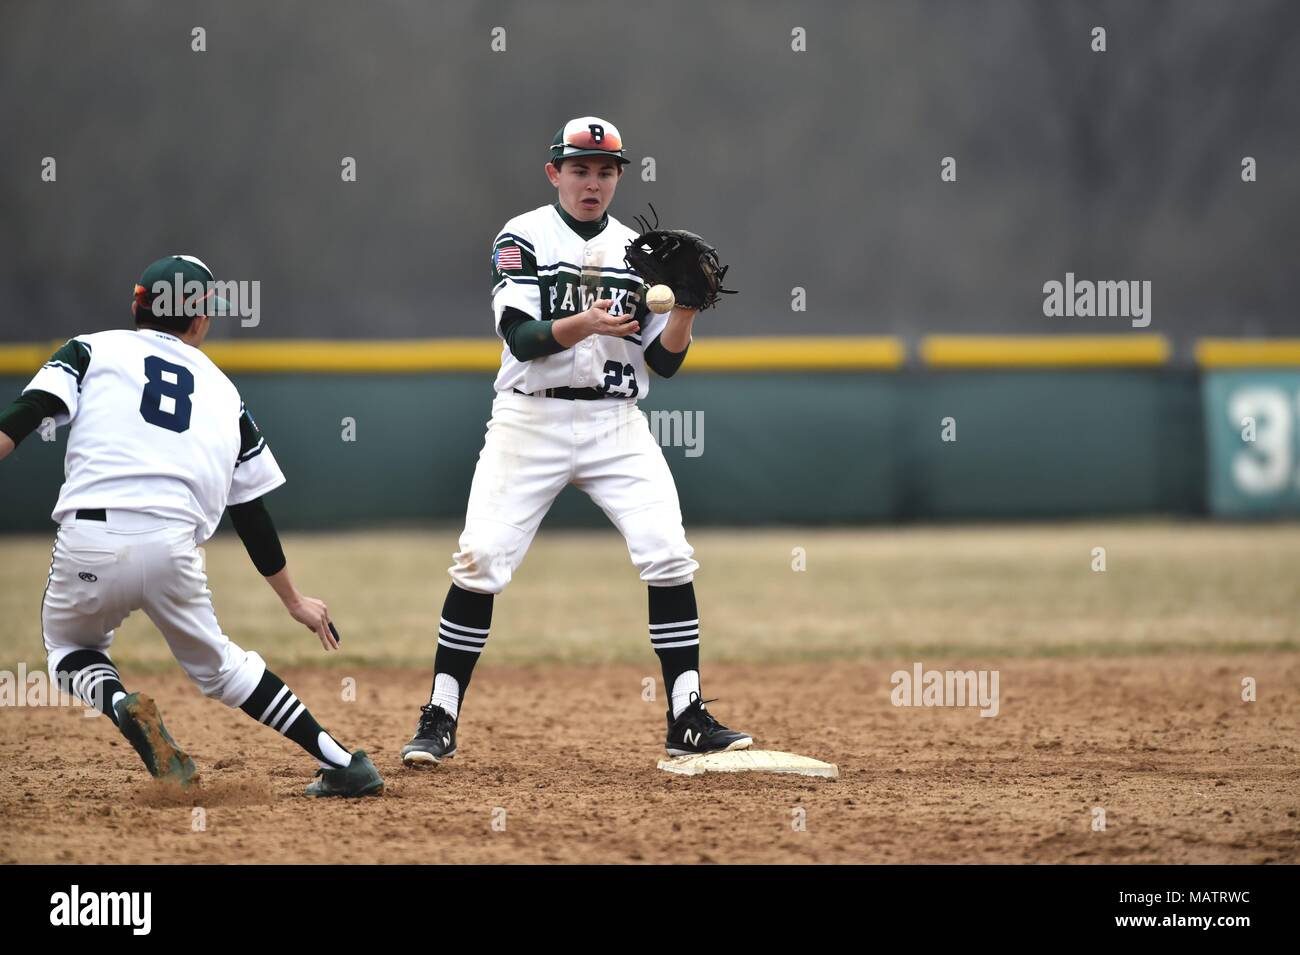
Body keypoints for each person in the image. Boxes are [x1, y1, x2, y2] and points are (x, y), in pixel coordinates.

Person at [400, 117, 752, 766]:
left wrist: (684, 314)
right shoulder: (523, 235)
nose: (592, 183)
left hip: (617, 423)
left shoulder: (638, 251)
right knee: (480, 559)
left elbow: (665, 364)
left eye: (605, 171)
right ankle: (439, 715)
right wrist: (584, 322)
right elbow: (522, 338)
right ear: (554, 172)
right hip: (530, 418)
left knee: (669, 554)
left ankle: (688, 716)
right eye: (580, 169)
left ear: (621, 177)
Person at [0, 254, 383, 797]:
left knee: (69, 649)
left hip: (89, 538)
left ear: (138, 306)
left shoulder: (90, 349)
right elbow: (250, 510)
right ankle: (343, 761)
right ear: (200, 319)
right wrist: (294, 600)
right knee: (224, 669)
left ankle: (119, 705)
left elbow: (21, 417)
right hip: (173, 548)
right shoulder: (227, 395)